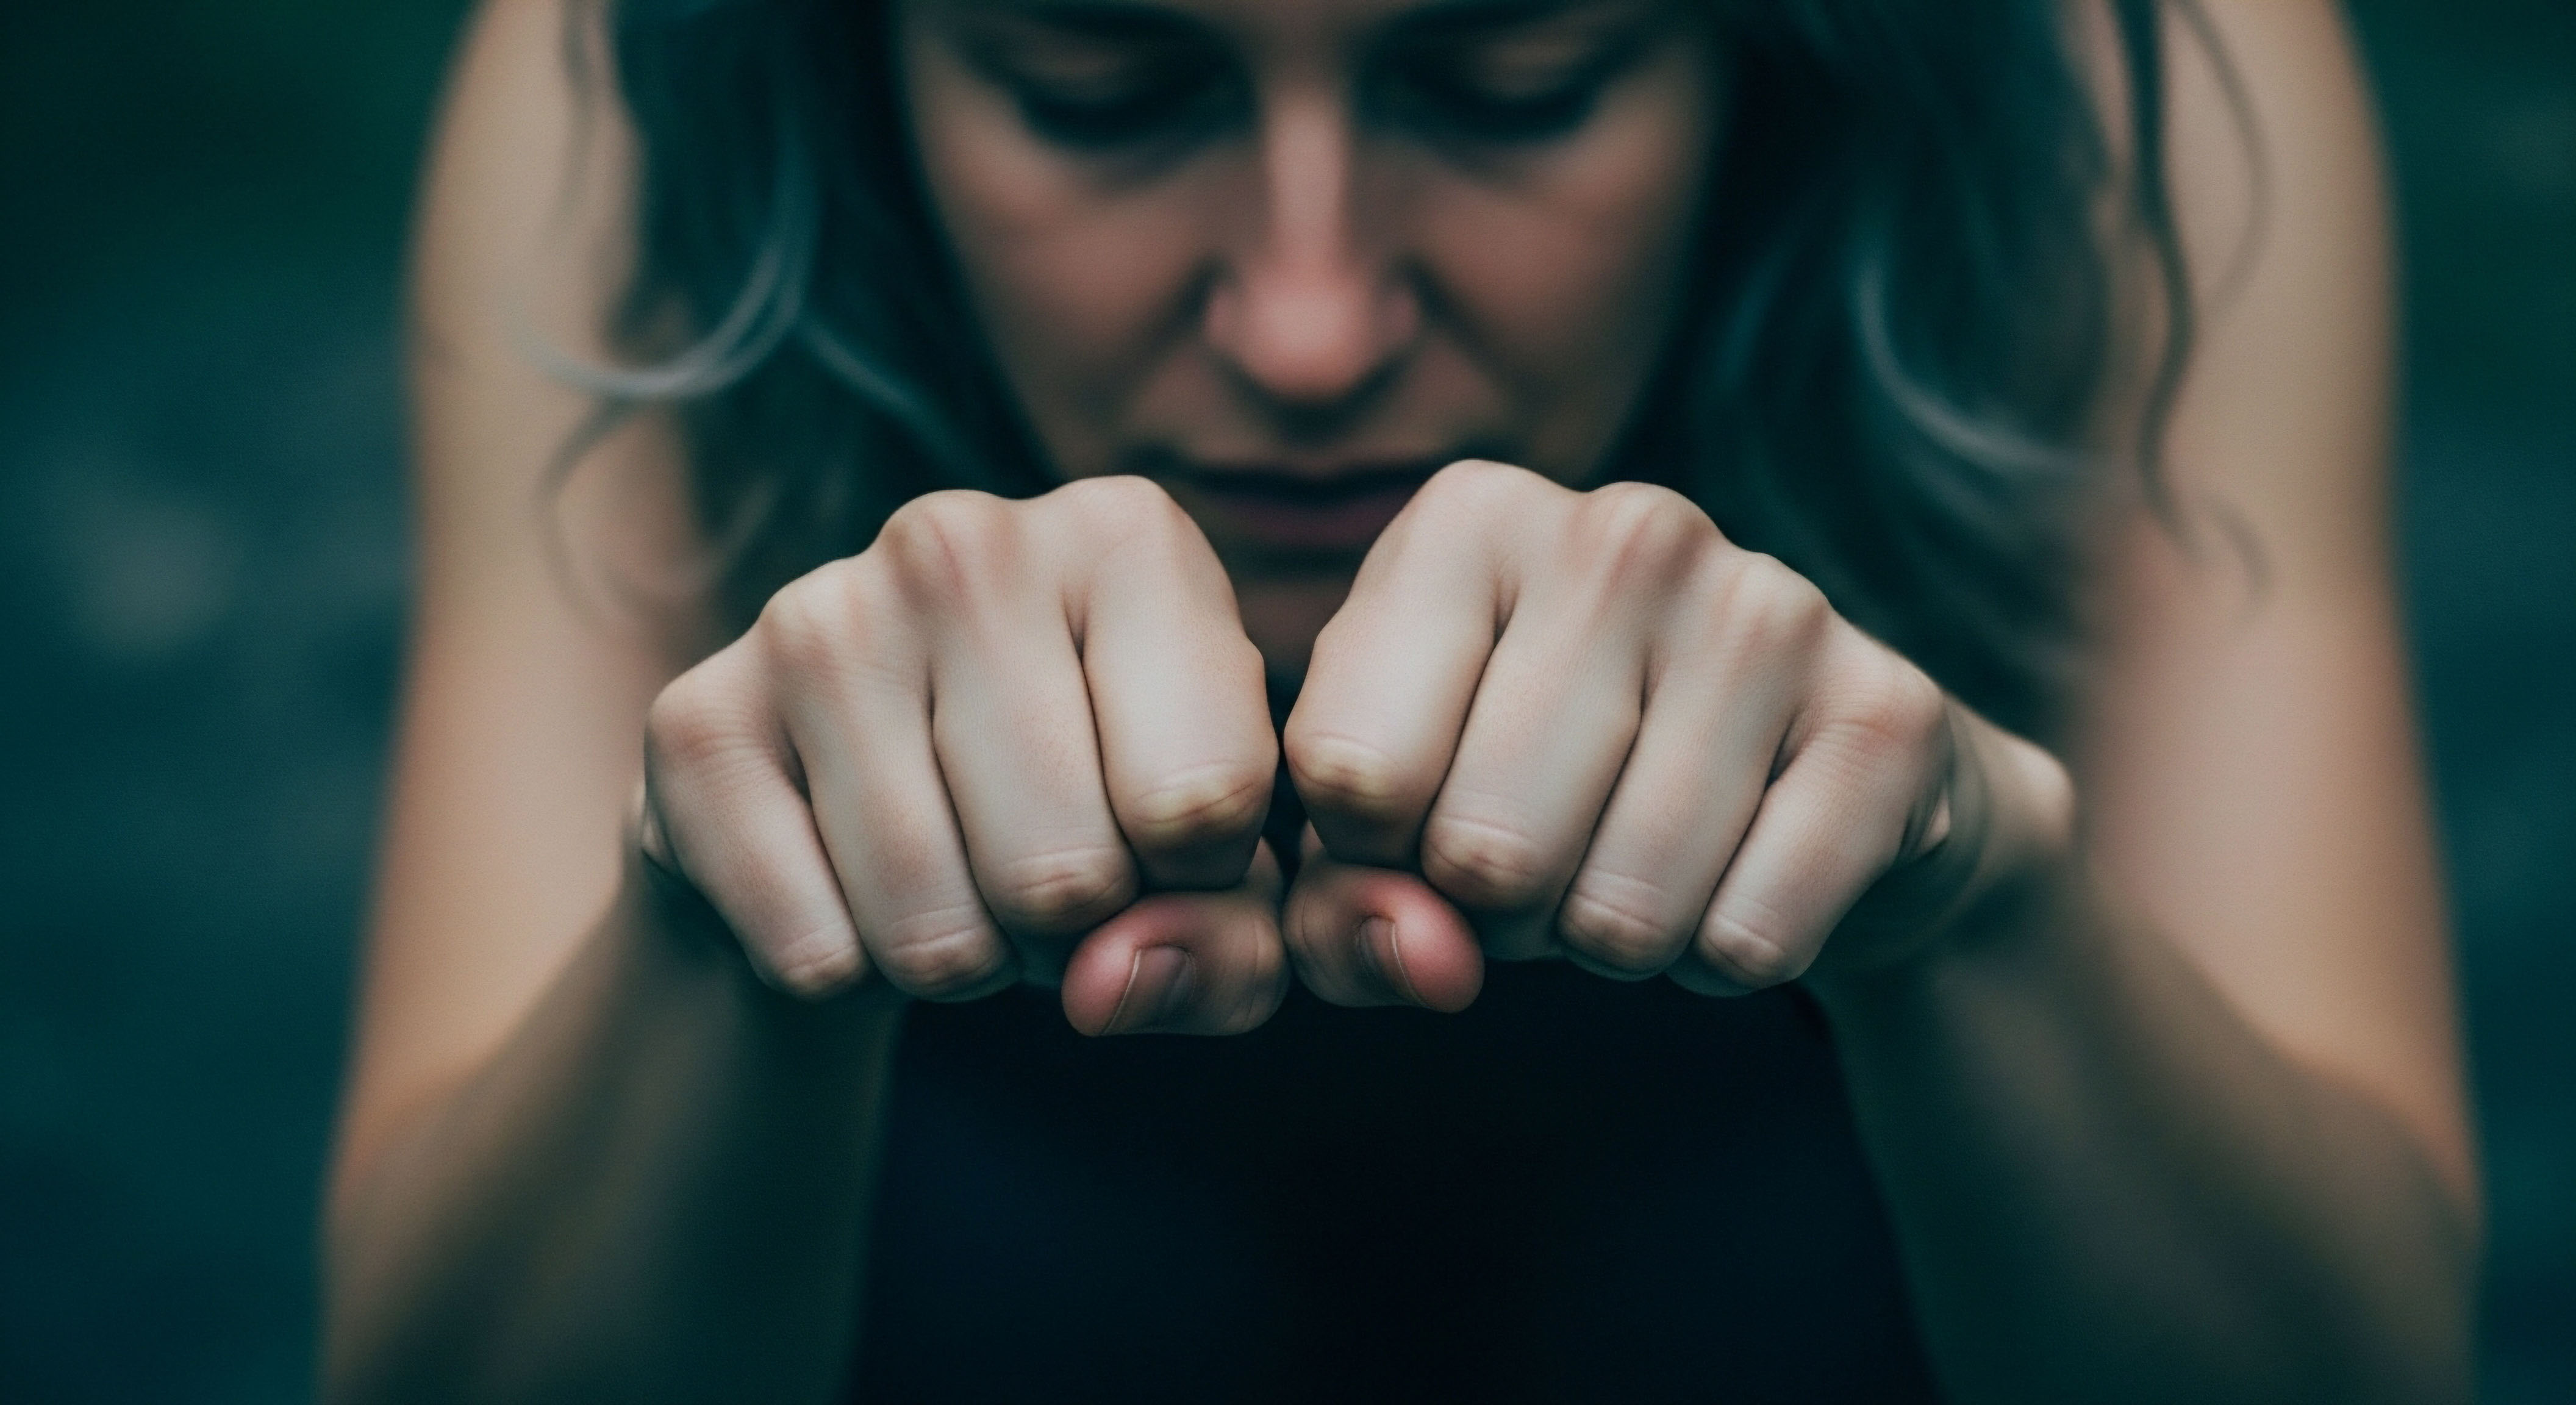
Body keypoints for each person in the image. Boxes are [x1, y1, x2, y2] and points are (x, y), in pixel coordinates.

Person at [320, 0, 2478, 1398]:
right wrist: (718, 950)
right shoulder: (624, 83)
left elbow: (2365, 1361)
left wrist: (1977, 905)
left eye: (1514, 81)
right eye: (1102, 93)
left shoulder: (2127, 72)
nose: (1311, 320)